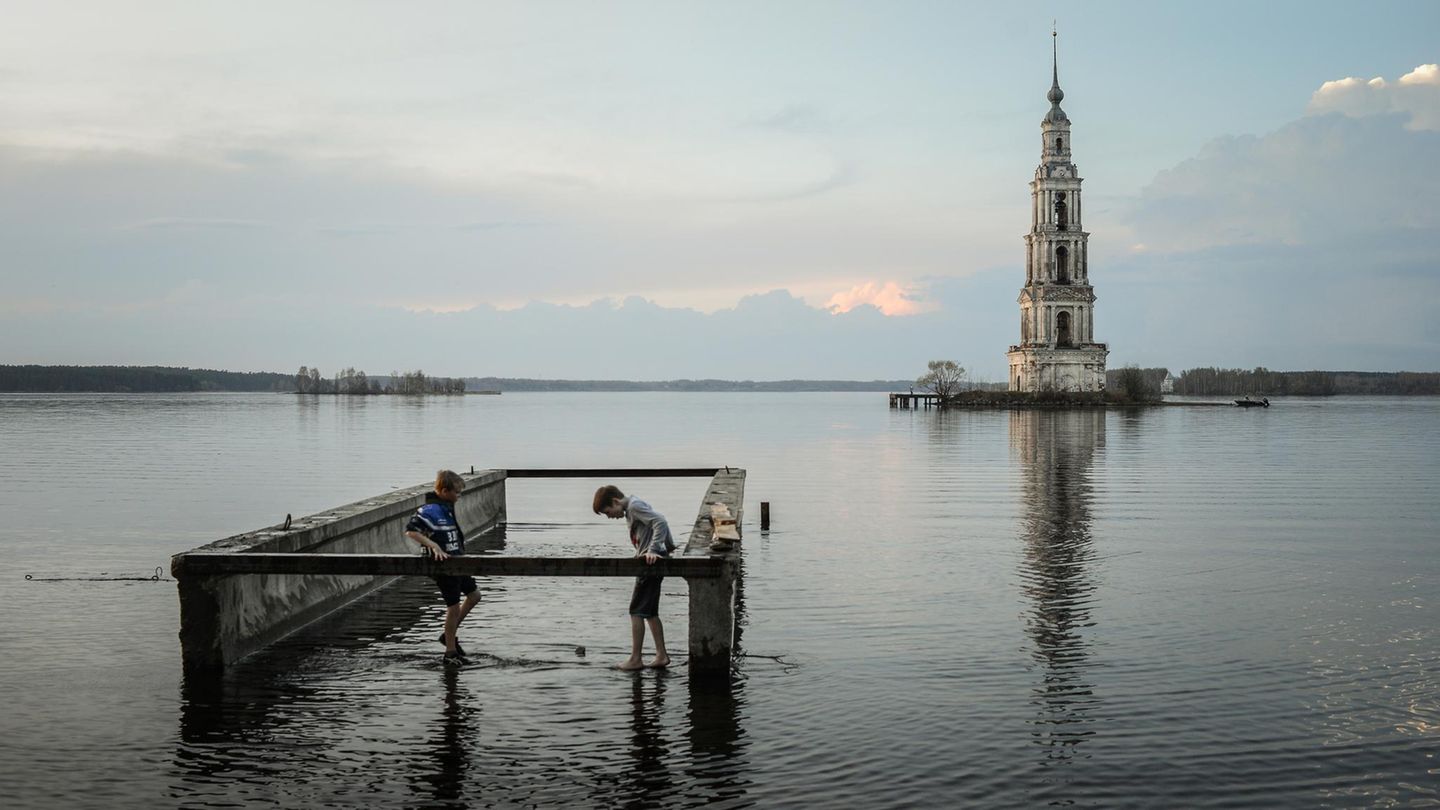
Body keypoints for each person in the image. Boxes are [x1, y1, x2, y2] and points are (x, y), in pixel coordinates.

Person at [593, 485, 675, 671]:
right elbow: (656, 522)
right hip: (650, 563)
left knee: (636, 611)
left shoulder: (634, 507)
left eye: (608, 512)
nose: (610, 517)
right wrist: (668, 546)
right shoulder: (634, 506)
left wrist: (654, 550)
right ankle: (661, 655)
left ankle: (636, 659)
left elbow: (660, 521)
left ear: (615, 501)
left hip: (650, 565)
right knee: (650, 612)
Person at [406, 470, 480, 666]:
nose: (459, 496)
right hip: (444, 566)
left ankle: (448, 634)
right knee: (453, 606)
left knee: (474, 596)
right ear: (444, 491)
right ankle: (450, 651)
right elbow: (411, 531)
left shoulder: (447, 507)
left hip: (457, 562)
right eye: (456, 492)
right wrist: (434, 546)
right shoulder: (430, 510)